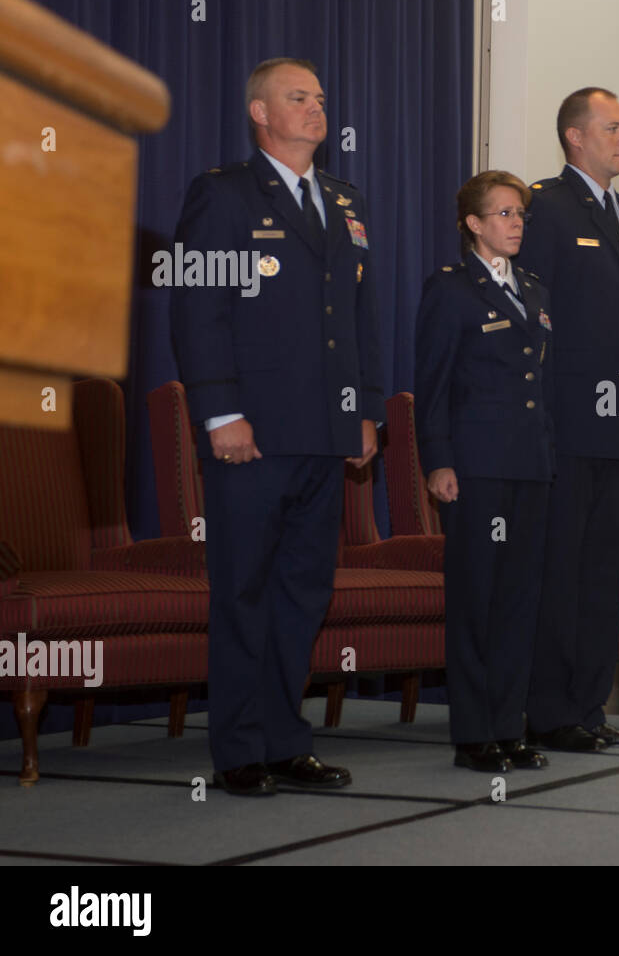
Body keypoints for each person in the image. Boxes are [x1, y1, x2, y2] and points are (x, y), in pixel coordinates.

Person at [170, 58, 381, 795]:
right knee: (244, 590)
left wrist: (365, 410)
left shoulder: (344, 200)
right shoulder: (224, 195)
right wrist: (221, 411)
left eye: (321, 98)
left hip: (326, 430)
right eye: (299, 98)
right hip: (251, 432)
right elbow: (198, 309)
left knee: (304, 591)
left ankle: (287, 739)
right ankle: (237, 752)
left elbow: (360, 320)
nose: (316, 109)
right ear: (261, 112)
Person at [514, 87, 619, 752]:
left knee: (601, 572)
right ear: (575, 136)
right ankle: (549, 710)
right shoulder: (545, 207)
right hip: (563, 423)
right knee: (559, 571)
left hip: (616, 425)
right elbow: (530, 323)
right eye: (613, 127)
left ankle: (589, 706)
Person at [414, 171, 554, 773]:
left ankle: (508, 725)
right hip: (475, 466)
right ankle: (474, 733)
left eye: (519, 212)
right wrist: (438, 460)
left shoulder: (535, 289)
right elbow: (433, 382)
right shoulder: (452, 290)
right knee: (478, 597)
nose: (516, 222)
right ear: (473, 224)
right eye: (502, 213)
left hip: (529, 464)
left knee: (521, 599)